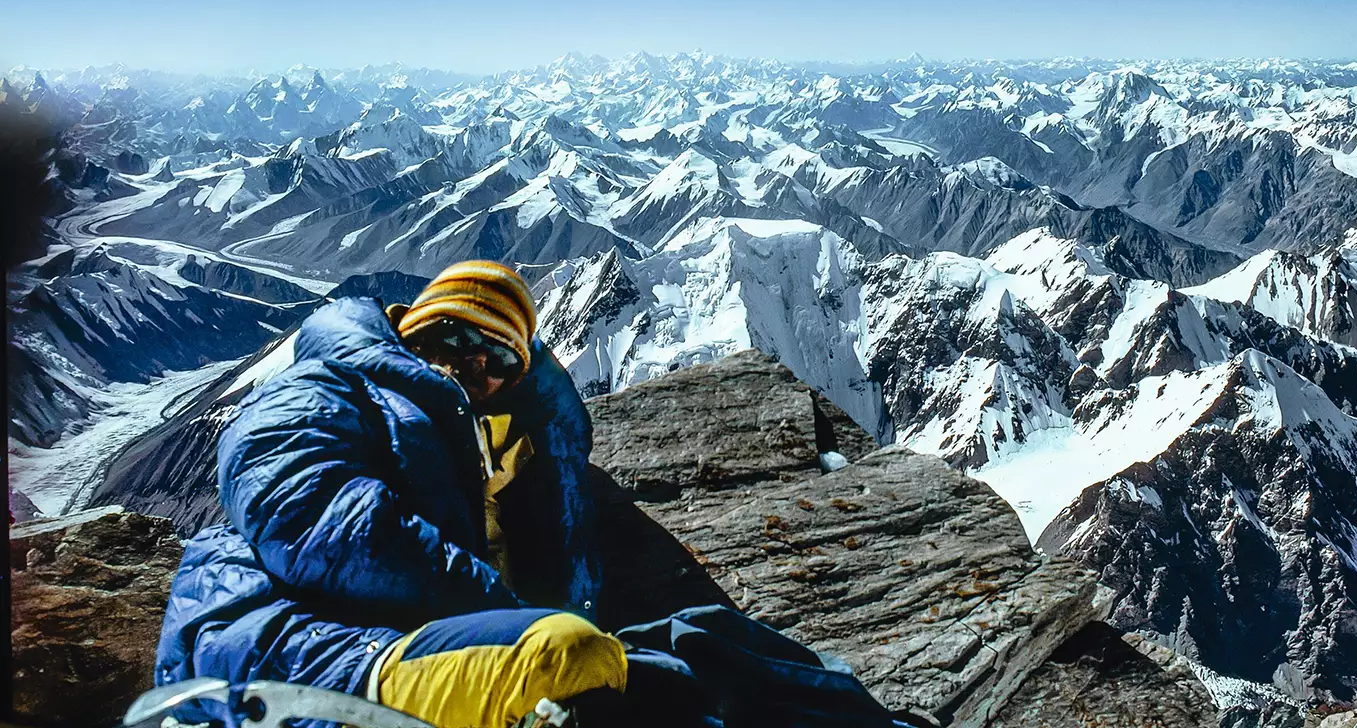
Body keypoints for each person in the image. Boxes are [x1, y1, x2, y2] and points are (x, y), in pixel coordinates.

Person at [156, 259, 910, 728]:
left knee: (706, 645)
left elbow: (562, 547)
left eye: (496, 359)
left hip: (446, 633)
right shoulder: (328, 387)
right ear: (406, 329)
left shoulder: (507, 452)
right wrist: (506, 609)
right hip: (315, 647)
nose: (468, 366)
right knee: (605, 669)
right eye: (449, 337)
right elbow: (310, 517)